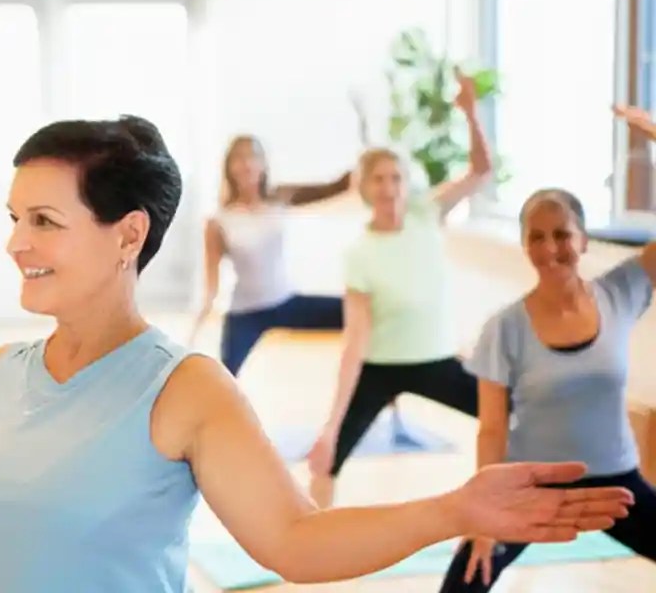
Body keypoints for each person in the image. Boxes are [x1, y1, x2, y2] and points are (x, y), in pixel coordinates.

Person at [0, 113, 634, 593]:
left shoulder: (184, 389)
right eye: (13, 218)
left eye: (44, 220)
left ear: (126, 234)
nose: (16, 242)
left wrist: (451, 507)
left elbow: (291, 544)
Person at [433, 188, 656, 587]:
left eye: (562, 234)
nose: (551, 247)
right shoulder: (504, 328)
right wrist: (484, 515)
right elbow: (492, 429)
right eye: (537, 236)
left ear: (584, 239)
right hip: (529, 483)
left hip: (615, 479)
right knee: (463, 580)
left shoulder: (619, 292)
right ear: (524, 245)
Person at [306, 68, 493, 508]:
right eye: (379, 179)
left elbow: (482, 170)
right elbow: (355, 341)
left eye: (396, 178)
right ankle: (314, 531)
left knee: (509, 415)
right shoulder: (359, 253)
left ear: (406, 184)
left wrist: (470, 112)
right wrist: (329, 428)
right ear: (365, 188)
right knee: (326, 461)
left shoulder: (427, 216)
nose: (389, 188)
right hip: (378, 368)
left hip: (438, 361)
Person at [191, 93, 370, 376]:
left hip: (286, 302)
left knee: (361, 314)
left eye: (253, 157)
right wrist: (194, 332)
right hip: (245, 312)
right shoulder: (218, 221)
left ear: (263, 165)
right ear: (229, 168)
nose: (247, 165)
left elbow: (342, 185)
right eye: (239, 159)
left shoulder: (281, 198)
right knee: (224, 379)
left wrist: (363, 128)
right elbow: (211, 287)